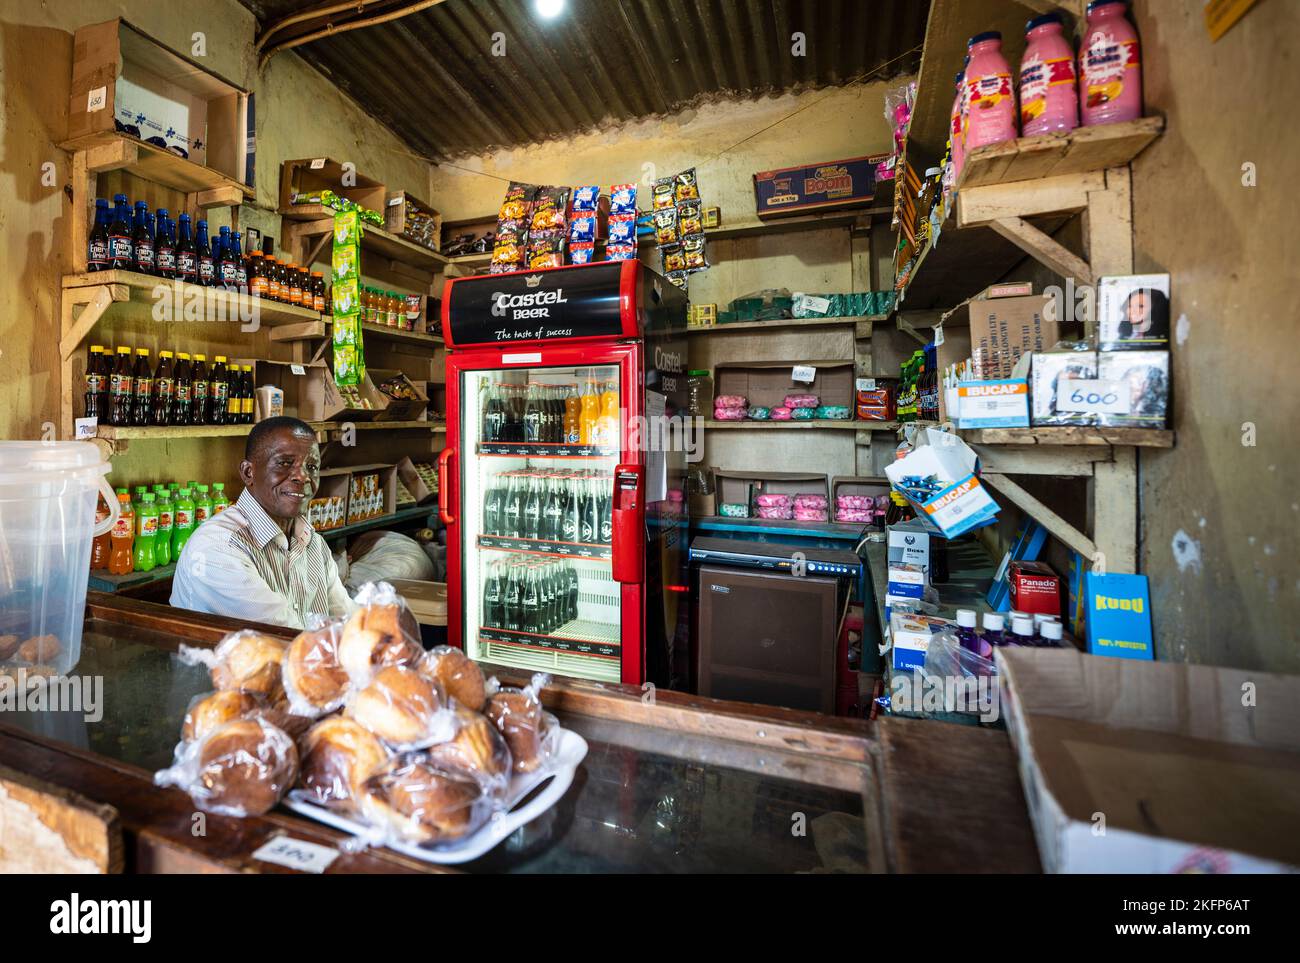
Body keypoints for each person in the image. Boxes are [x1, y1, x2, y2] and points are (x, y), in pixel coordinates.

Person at [171, 416, 355, 628]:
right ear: (249, 473)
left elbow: (345, 618)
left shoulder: (312, 543)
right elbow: (284, 636)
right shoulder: (219, 547)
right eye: (285, 463)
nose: (303, 476)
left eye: (312, 466)